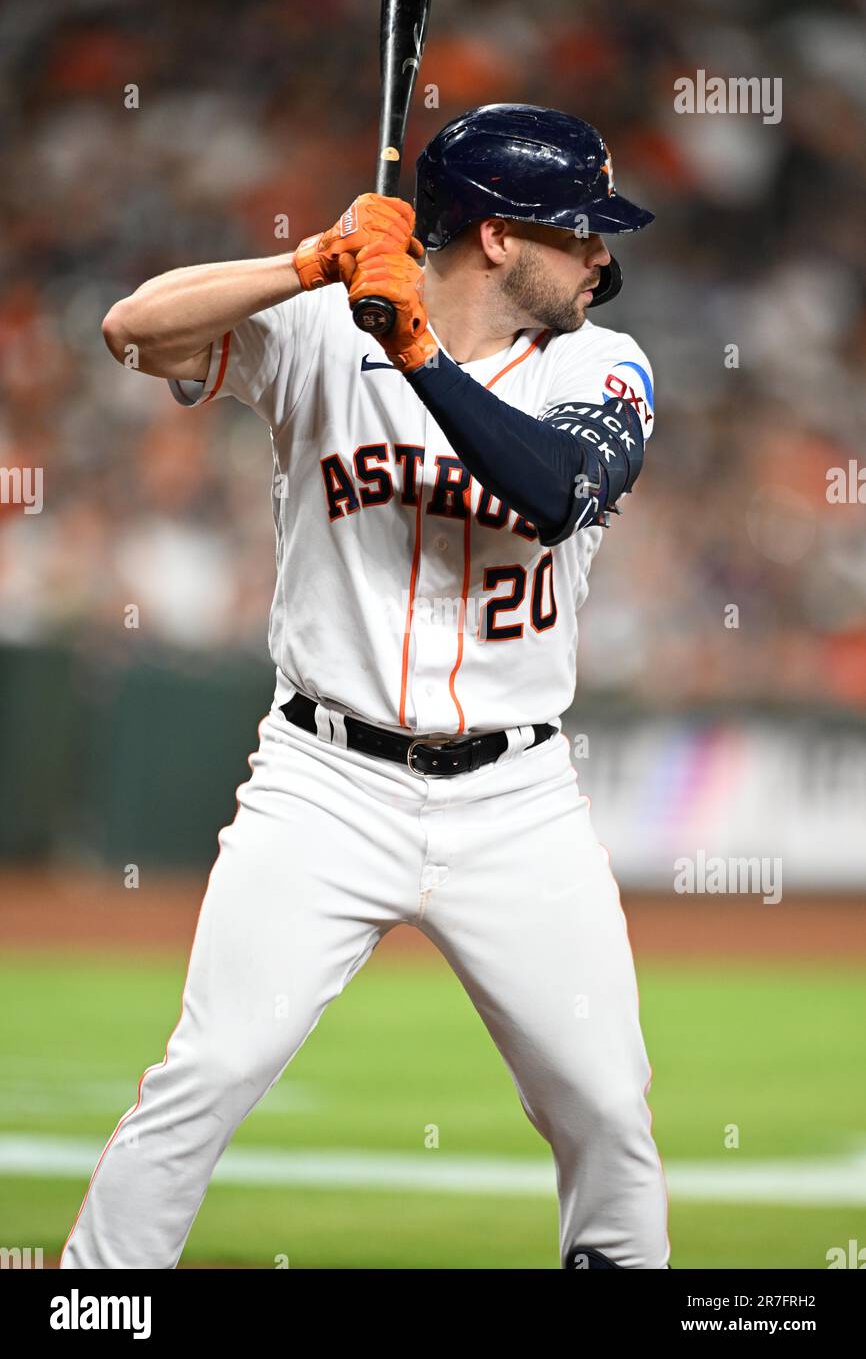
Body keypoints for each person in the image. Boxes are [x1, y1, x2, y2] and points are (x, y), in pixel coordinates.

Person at [62, 104, 669, 1270]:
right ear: (495, 236)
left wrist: (418, 352)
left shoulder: (601, 362)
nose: (604, 256)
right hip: (323, 781)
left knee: (602, 1104)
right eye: (579, 231)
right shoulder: (319, 327)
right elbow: (131, 332)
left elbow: (552, 492)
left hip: (516, 800)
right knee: (212, 1067)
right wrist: (309, 262)